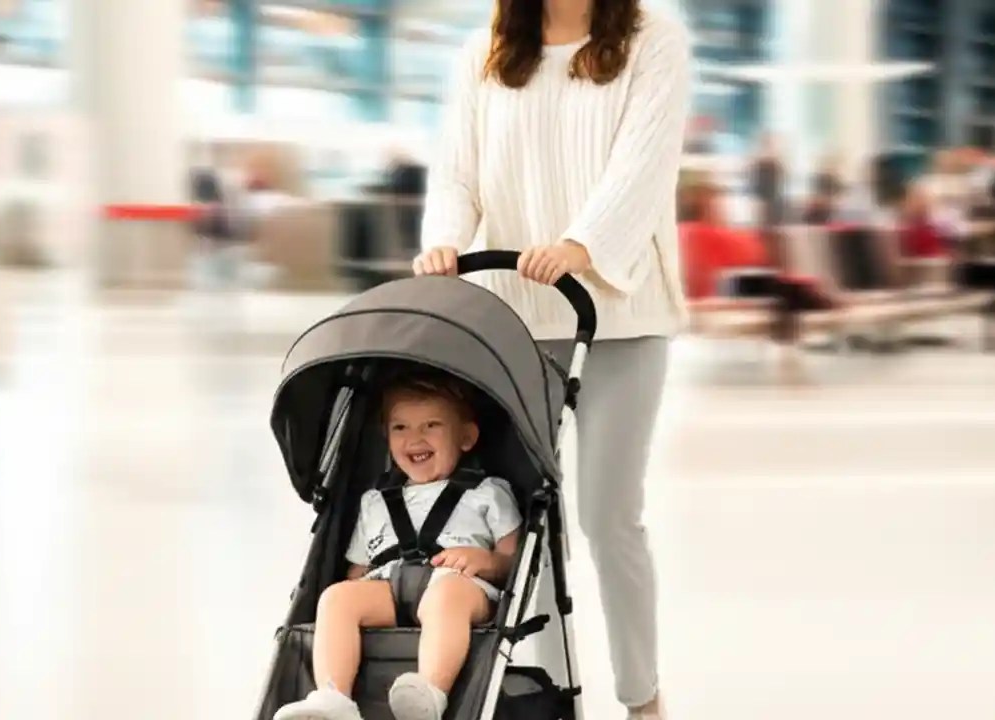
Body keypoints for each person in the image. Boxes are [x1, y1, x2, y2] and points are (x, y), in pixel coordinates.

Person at [410, 1, 690, 717]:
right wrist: (443, 239)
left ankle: (641, 696)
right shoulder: (488, 51)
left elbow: (643, 164)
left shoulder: (653, 41)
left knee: (607, 515)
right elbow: (457, 175)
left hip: (618, 313)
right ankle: (519, 690)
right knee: (515, 521)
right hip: (509, 316)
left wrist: (581, 246)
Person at [274, 370, 523, 720]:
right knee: (336, 597)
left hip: (462, 588)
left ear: (466, 437)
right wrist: (357, 589)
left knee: (445, 596)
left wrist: (484, 560)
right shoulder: (375, 501)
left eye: (431, 425)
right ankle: (333, 698)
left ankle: (429, 692)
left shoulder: (487, 492)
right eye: (400, 428)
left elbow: (512, 560)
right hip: (389, 586)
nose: (415, 438)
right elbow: (358, 568)